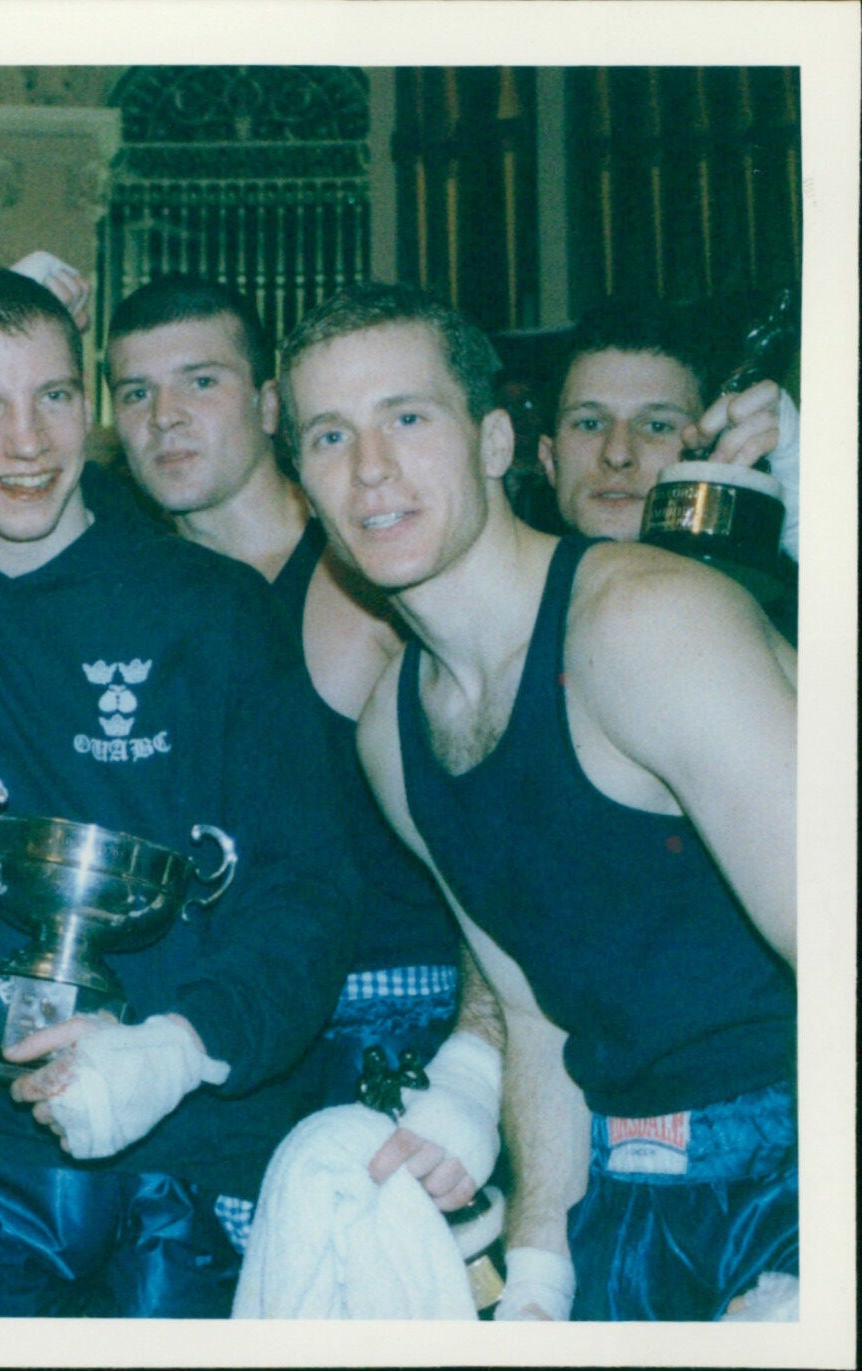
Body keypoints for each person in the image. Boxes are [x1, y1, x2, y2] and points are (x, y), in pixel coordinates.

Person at [280, 281, 797, 1321]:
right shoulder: (392, 727)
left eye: (406, 418)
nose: (369, 469)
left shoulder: (646, 625)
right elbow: (530, 1009)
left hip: (793, 1168)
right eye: (328, 436)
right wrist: (539, 1275)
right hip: (624, 1193)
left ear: (494, 442)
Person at [0, 266, 359, 1317]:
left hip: (187, 1152)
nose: (26, 441)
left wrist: (179, 1047)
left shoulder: (215, 609)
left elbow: (306, 889)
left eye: (53, 396)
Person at [103, 274, 479, 1142]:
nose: (165, 416)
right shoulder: (121, 591)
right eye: (135, 392)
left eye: (200, 380)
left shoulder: (385, 564)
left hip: (400, 1012)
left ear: (271, 404)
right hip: (206, 1026)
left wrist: (477, 1058)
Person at [535, 296, 799, 638]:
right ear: (548, 460)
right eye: (589, 424)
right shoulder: (503, 624)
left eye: (657, 426)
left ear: (705, 455)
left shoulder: (767, 619)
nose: (617, 455)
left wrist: (810, 529)